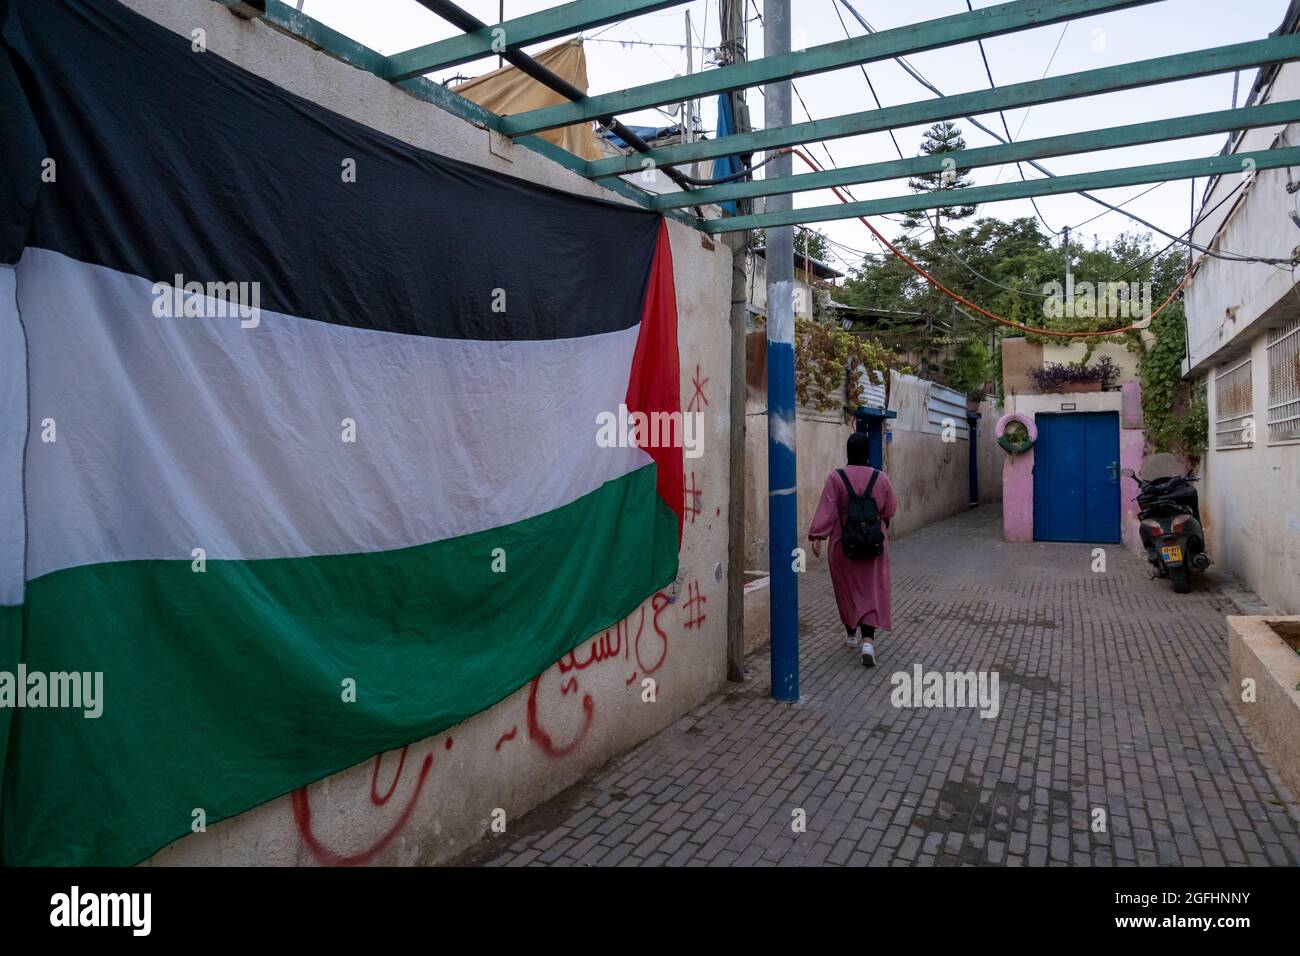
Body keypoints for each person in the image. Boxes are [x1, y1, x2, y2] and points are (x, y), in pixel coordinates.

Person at [807, 432, 897, 667]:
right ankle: (868, 642)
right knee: (871, 591)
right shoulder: (881, 478)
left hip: (843, 546)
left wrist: (817, 535)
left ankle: (850, 634)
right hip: (874, 546)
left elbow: (826, 509)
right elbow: (890, 510)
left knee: (846, 590)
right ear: (868, 452)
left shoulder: (835, 478)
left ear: (848, 451)